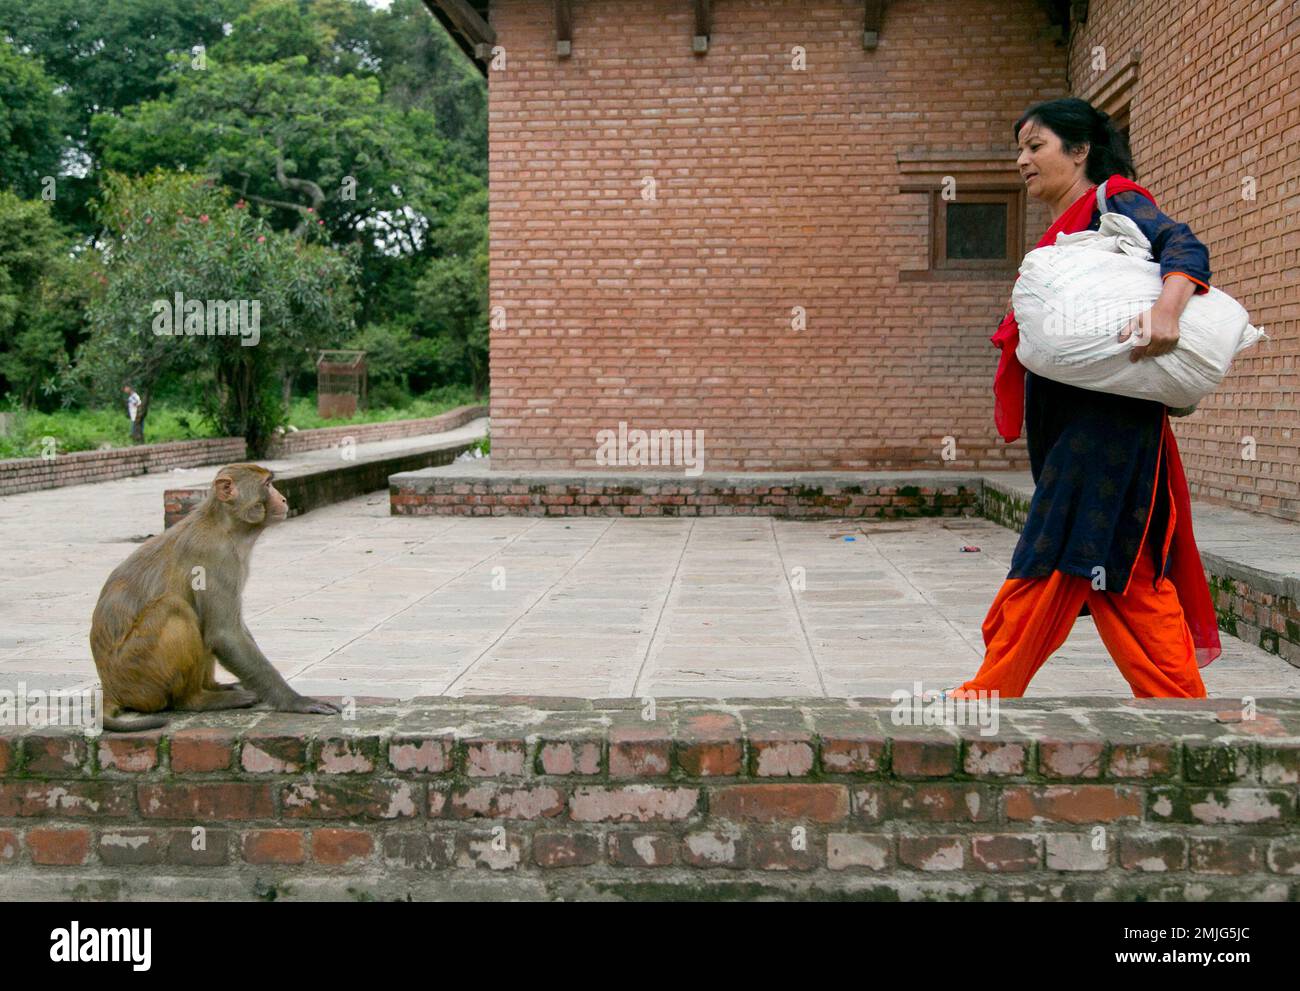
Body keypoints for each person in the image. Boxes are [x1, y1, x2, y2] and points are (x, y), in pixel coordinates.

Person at [949, 97, 1222, 700]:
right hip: (1081, 425)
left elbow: (1183, 246)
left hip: (1106, 428)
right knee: (1124, 572)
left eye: (1034, 145)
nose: (1022, 159)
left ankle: (986, 696)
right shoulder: (1063, 228)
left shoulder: (1115, 198)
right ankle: (1182, 710)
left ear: (1080, 151)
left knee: (1053, 553)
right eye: (1019, 147)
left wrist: (1166, 313)